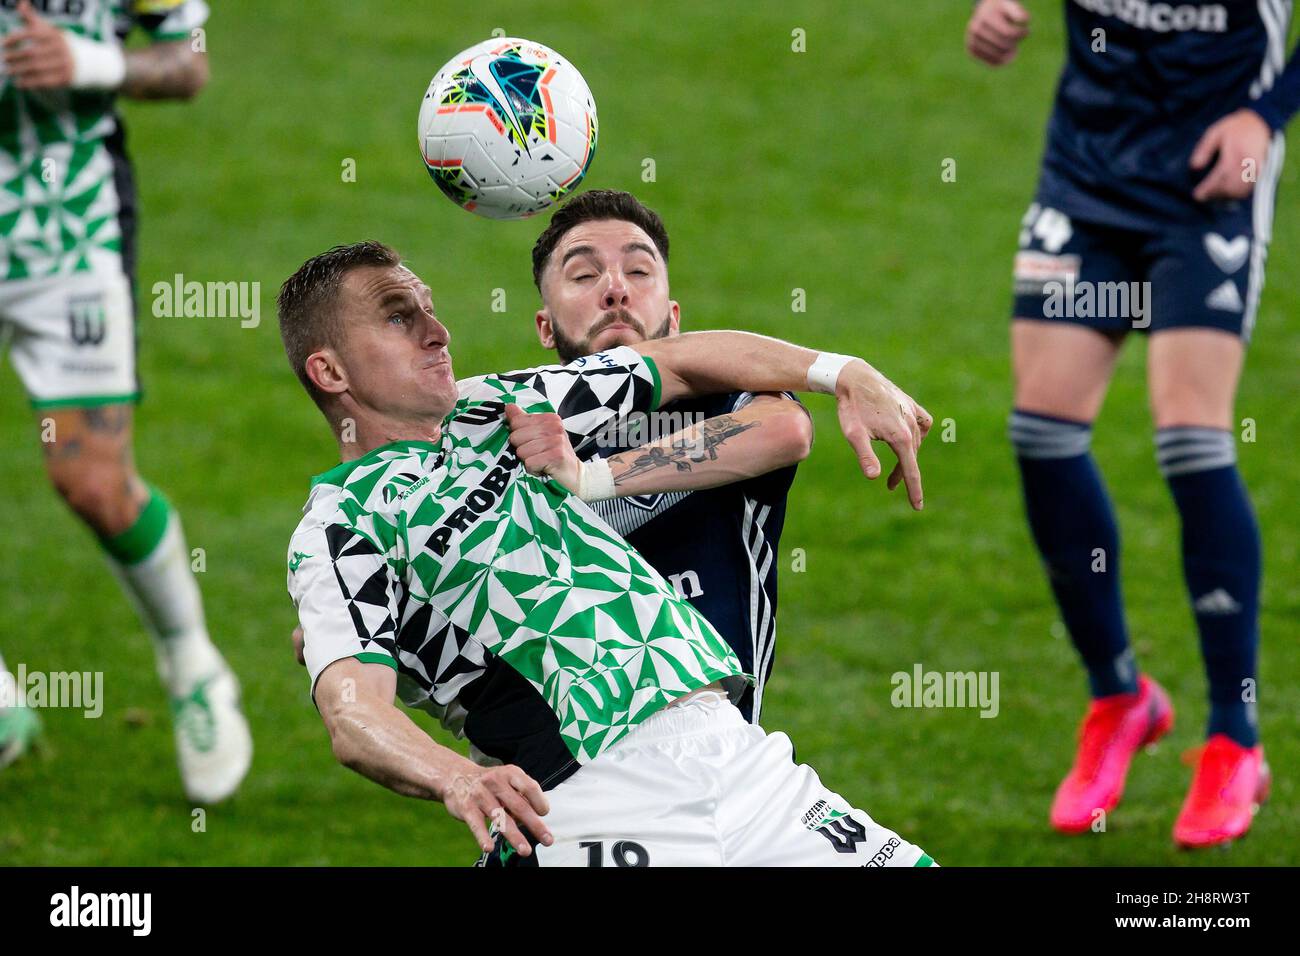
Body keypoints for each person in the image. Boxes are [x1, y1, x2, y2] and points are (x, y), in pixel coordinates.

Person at [279, 240, 935, 866]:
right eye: (399, 317)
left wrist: (842, 372)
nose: (438, 331)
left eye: (428, 307)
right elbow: (353, 710)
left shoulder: (499, 405)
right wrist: (454, 778)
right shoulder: (341, 523)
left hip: (738, 757)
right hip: (599, 789)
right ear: (329, 370)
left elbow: (677, 361)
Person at [966, 0, 1298, 846]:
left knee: (1191, 436)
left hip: (1211, 176)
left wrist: (1266, 114)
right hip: (1087, 170)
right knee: (1042, 431)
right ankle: (1120, 697)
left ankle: (1235, 736)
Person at [0, 0, 251, 802]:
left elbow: (189, 60)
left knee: (96, 487)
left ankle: (189, 658)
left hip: (69, 235)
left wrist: (90, 64)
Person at [527, 189, 817, 724]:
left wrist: (589, 480)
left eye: (638, 272)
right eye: (584, 276)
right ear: (545, 326)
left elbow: (787, 430)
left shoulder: (724, 405)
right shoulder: (525, 432)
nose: (615, 290)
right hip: (563, 785)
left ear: (675, 318)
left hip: (722, 762)